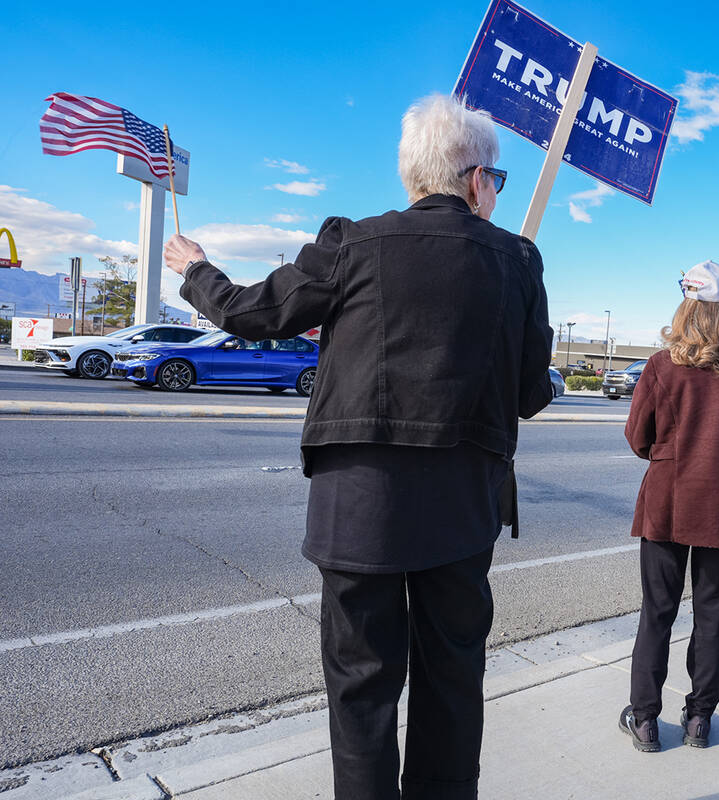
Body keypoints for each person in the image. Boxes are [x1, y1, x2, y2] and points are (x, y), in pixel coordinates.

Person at [163, 94, 553, 800]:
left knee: (362, 689)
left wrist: (197, 269)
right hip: (463, 508)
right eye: (498, 178)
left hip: (358, 506)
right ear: (474, 179)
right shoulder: (518, 261)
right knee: (453, 680)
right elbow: (529, 393)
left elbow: (255, 313)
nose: (496, 191)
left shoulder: (351, 242)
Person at [619, 261, 719, 752]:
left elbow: (637, 436)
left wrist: (668, 453)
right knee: (713, 614)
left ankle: (645, 718)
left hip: (668, 497)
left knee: (657, 612)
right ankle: (699, 717)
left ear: (686, 308)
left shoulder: (661, 365)